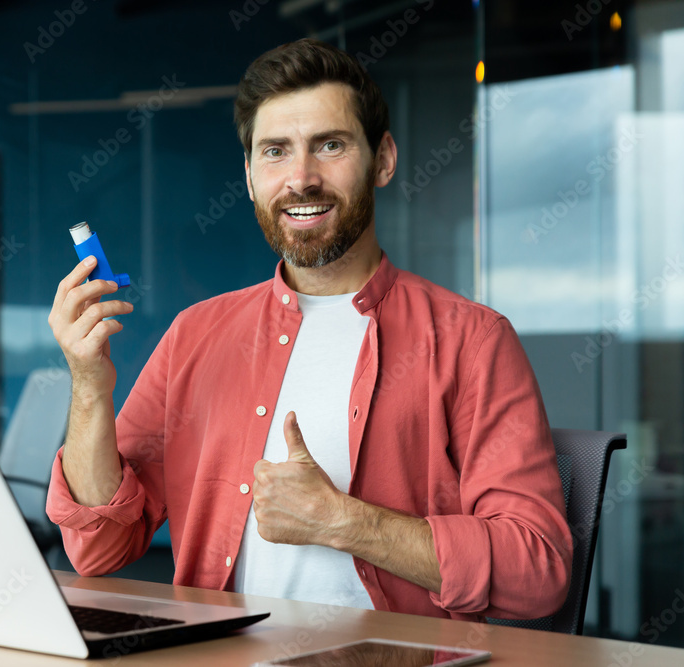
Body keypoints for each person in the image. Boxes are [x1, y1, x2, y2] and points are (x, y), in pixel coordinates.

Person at [46, 38, 572, 622]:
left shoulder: (471, 341)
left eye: (331, 145)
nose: (301, 177)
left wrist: (342, 521)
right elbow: (97, 546)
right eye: (275, 151)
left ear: (384, 159)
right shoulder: (196, 334)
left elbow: (537, 570)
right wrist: (90, 384)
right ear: (248, 177)